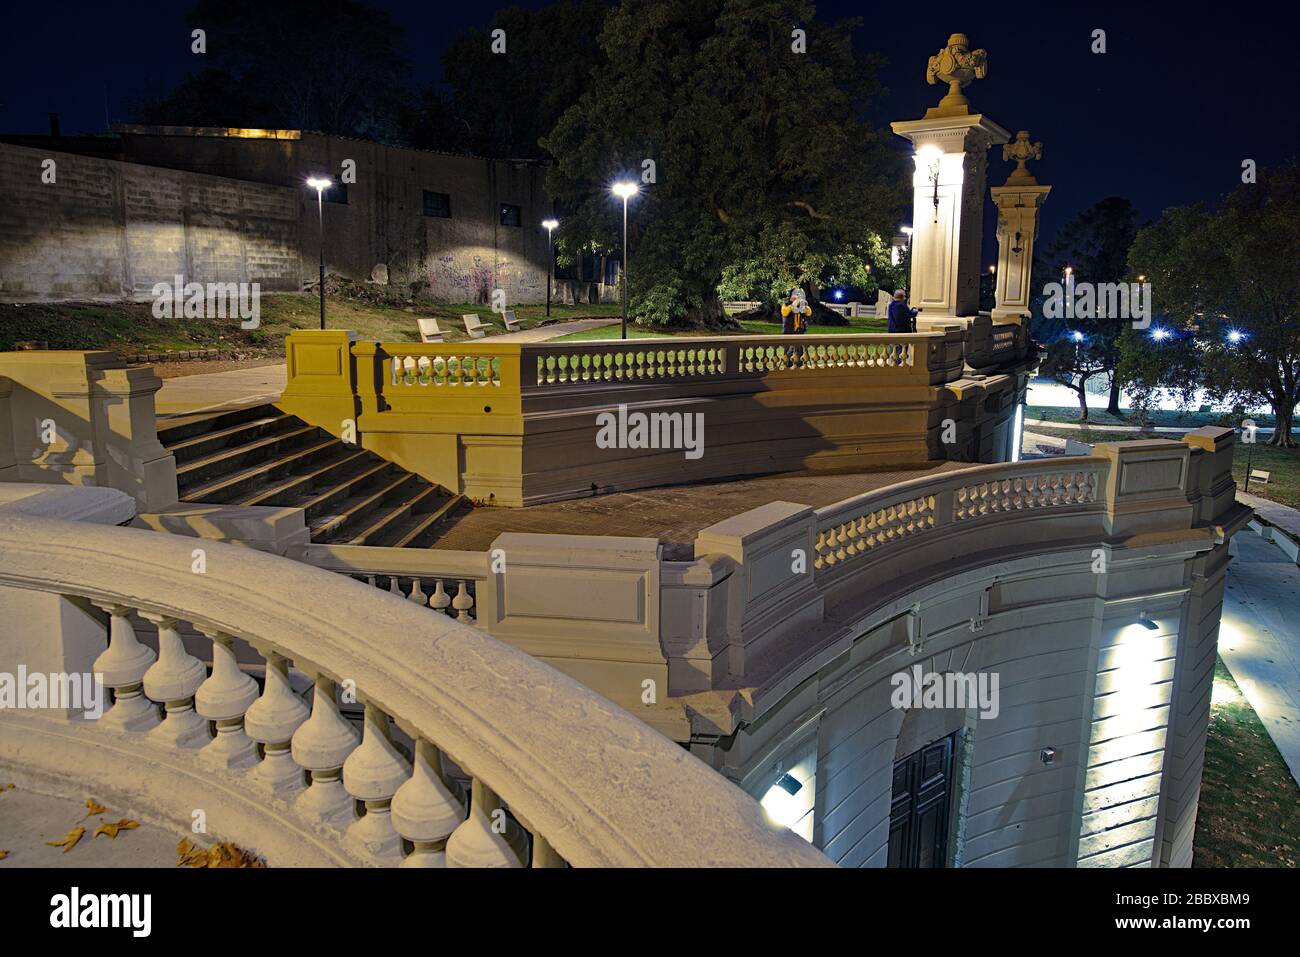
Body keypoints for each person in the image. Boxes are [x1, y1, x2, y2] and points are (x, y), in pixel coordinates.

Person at [886, 289, 920, 364]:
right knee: (900, 352)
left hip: (891, 332)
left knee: (892, 351)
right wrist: (915, 311)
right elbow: (910, 314)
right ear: (902, 297)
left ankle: (891, 365)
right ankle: (897, 366)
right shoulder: (902, 305)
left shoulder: (891, 305)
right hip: (902, 332)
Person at [780, 287, 811, 366]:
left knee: (799, 350)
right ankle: (788, 365)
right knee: (788, 350)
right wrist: (793, 305)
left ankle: (799, 365)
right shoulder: (786, 304)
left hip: (799, 331)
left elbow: (809, 313)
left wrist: (805, 305)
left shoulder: (801, 305)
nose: (797, 296)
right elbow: (784, 313)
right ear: (790, 296)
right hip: (789, 332)